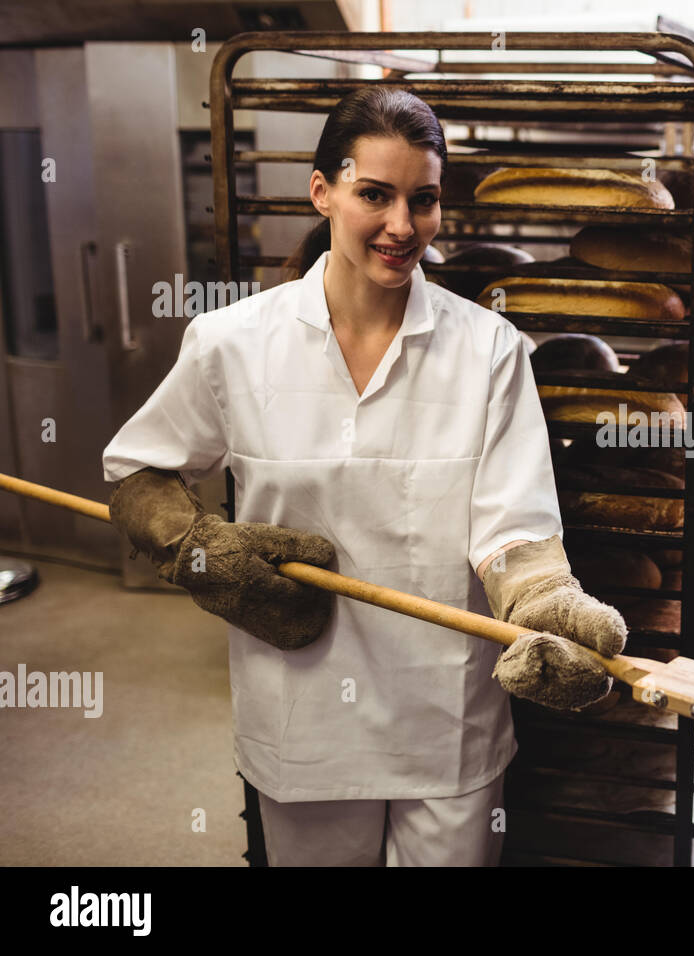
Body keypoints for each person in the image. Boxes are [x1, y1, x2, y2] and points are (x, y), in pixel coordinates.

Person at [101, 87, 625, 866]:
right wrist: (199, 547)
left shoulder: (489, 350)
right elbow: (138, 470)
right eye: (374, 195)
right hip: (302, 715)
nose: (402, 226)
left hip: (447, 716)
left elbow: (513, 528)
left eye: (424, 199)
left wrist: (549, 604)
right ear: (323, 191)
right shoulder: (232, 344)